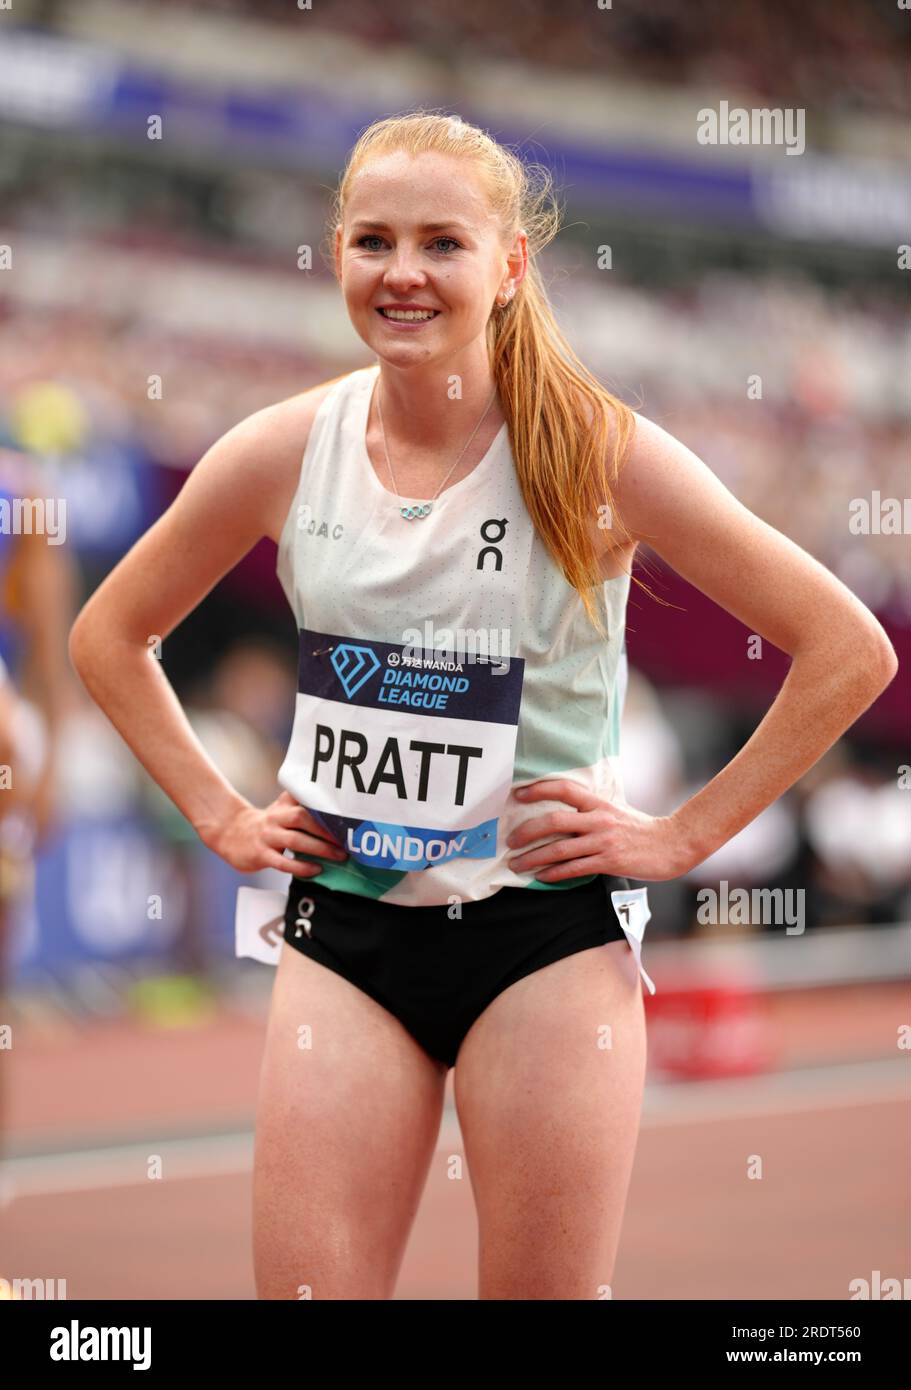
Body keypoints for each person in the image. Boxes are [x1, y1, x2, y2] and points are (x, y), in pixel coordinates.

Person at [67, 111, 898, 1300]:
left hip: (540, 939)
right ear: (336, 251)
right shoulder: (280, 449)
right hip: (347, 929)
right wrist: (216, 811)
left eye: (441, 244)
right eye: (372, 240)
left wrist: (679, 836)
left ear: (508, 265)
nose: (401, 272)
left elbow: (844, 648)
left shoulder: (593, 450)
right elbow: (109, 633)